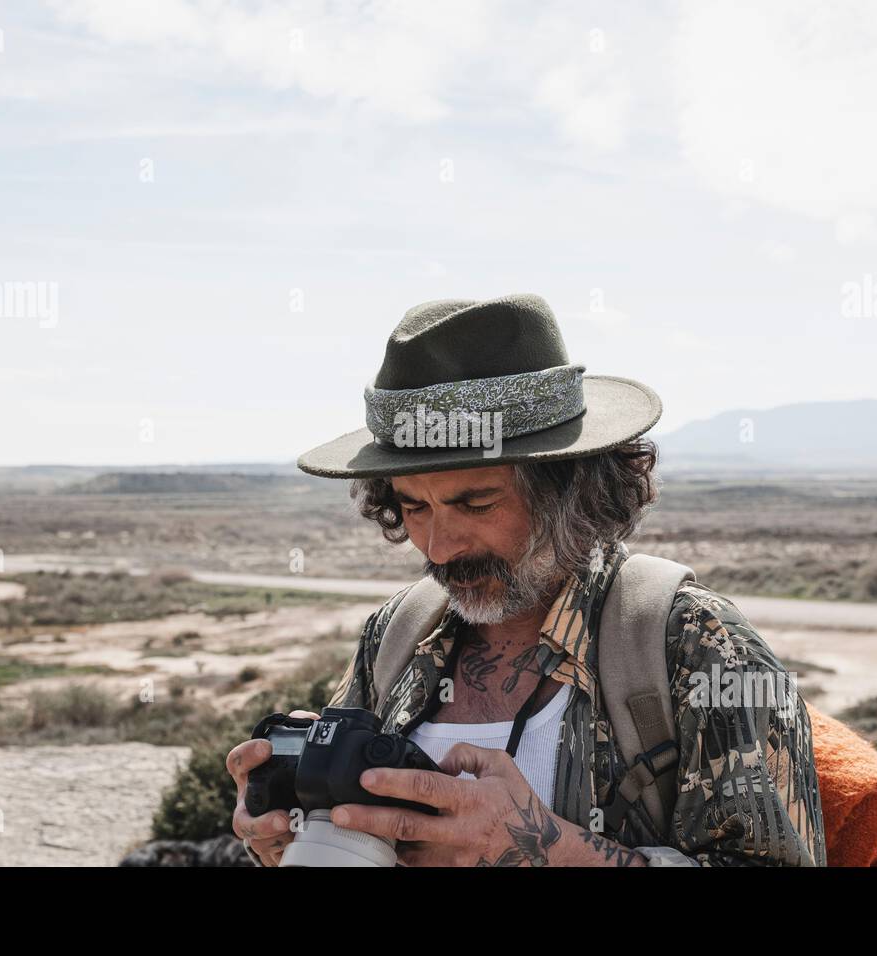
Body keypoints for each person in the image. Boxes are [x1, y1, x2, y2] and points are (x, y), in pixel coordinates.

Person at [227, 293, 825, 867]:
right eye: (415, 507)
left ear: (572, 490)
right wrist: (287, 837)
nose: (439, 546)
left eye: (477, 503)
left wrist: (554, 853)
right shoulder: (397, 635)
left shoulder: (695, 645)